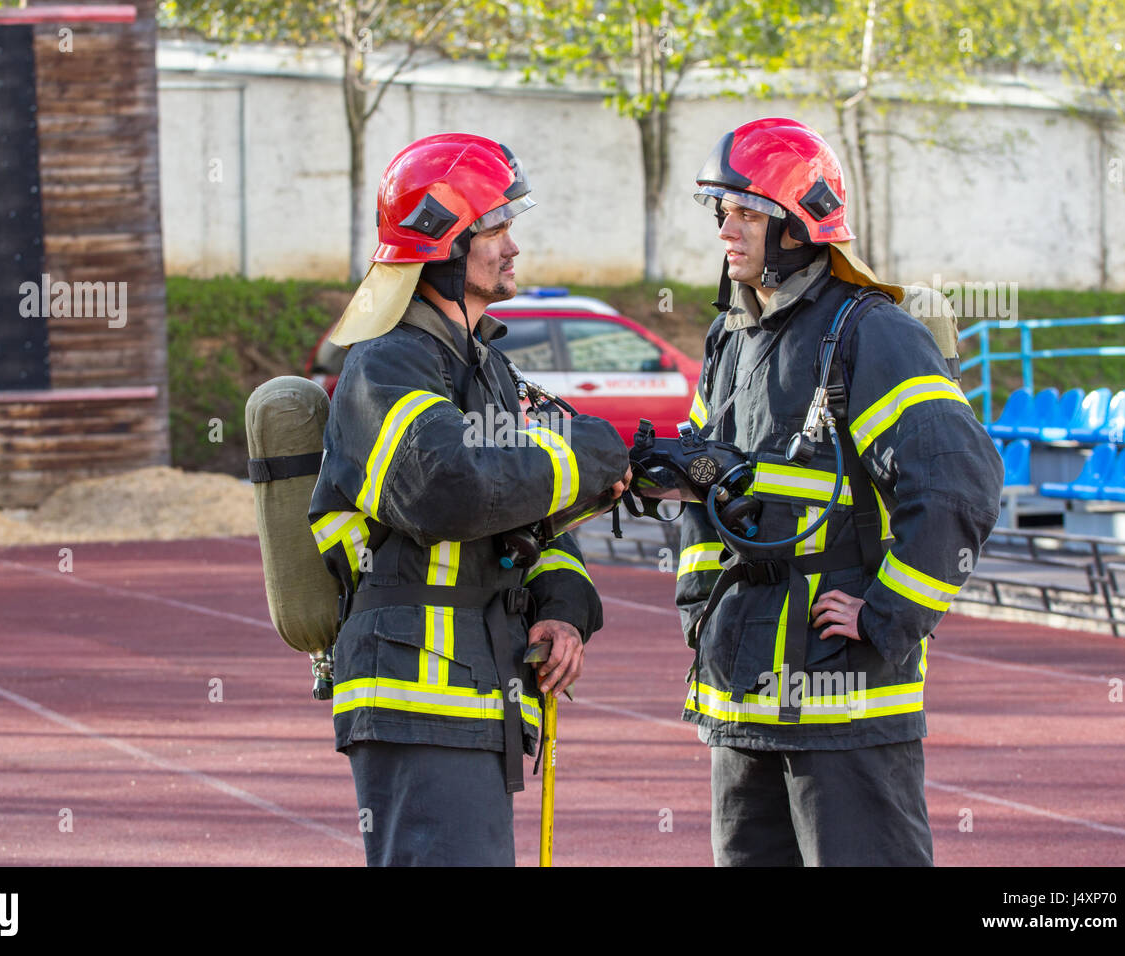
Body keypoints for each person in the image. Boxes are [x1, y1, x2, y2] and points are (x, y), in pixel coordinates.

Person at [674, 117, 1003, 866]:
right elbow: (704, 490)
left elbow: (958, 479)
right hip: (741, 694)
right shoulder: (731, 340)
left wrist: (889, 616)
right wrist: (699, 612)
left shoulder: (871, 333)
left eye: (746, 213)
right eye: (720, 212)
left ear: (797, 225)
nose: (726, 230)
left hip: (840, 700)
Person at [309, 133, 630, 866]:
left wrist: (562, 611)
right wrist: (580, 453)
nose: (513, 247)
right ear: (445, 246)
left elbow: (534, 513)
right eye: (496, 231)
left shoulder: (487, 370)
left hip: (478, 695)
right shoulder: (386, 364)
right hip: (417, 700)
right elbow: (445, 487)